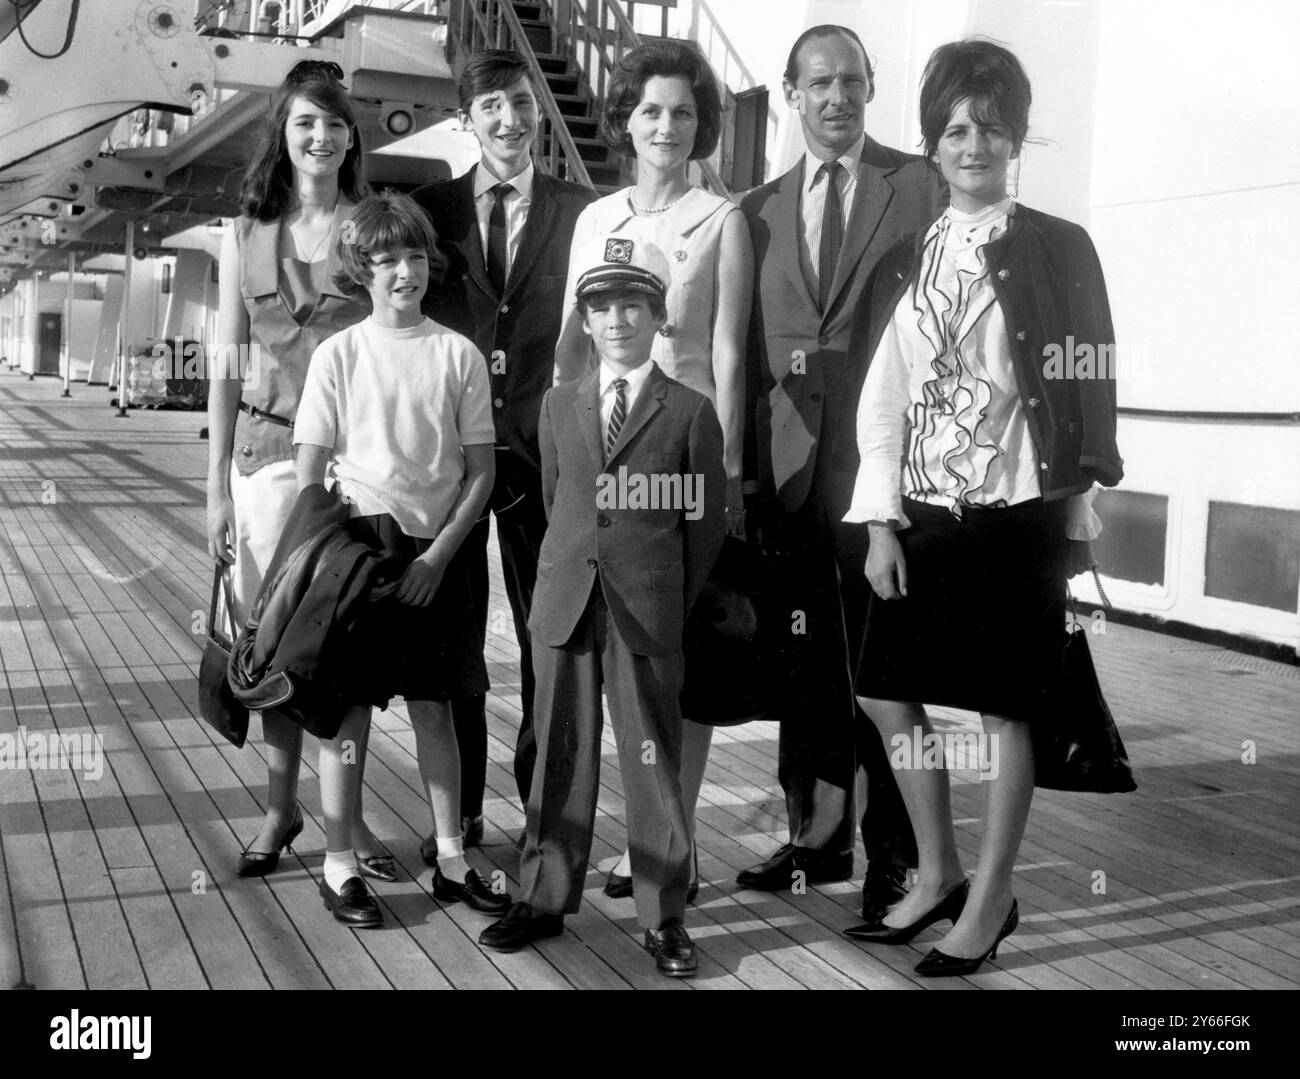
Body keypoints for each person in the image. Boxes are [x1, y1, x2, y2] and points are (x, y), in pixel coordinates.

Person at [843, 40, 1122, 975]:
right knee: (884, 689)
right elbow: (880, 399)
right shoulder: (907, 256)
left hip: (1017, 515)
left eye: (990, 127)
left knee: (1008, 712)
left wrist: (1079, 500)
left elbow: (1089, 372)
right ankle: (938, 871)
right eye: (955, 128)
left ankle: (993, 895)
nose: (973, 143)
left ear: (1016, 140)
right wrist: (880, 520)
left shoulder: (1056, 244)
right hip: (923, 512)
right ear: (932, 144)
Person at [738, 25, 944, 919]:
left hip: (882, 470)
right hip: (787, 473)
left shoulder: (922, 184)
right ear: (790, 92)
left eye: (852, 82)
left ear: (870, 88)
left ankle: (899, 858)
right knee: (804, 657)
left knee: (890, 665)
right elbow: (744, 351)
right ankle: (818, 837)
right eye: (818, 82)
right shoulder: (755, 209)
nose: (837, 98)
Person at [478, 236, 726, 977]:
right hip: (566, 598)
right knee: (558, 748)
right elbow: (558, 502)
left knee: (652, 755)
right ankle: (545, 893)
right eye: (600, 307)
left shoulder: (689, 412)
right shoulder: (557, 406)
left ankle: (663, 912)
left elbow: (704, 526)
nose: (616, 319)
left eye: (632, 305)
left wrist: (663, 590)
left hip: (646, 607)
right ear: (583, 322)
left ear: (658, 316)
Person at [553, 39, 753, 900]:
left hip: (683, 455)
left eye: (682, 111)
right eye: (649, 111)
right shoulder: (596, 220)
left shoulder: (723, 218)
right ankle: (623, 840)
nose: (666, 126)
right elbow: (570, 355)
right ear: (626, 120)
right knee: (602, 658)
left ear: (700, 121)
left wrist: (730, 481)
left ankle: (665, 846)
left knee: (675, 663)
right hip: (605, 454)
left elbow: (731, 356)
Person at [293, 190, 511, 926]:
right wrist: (328, 554)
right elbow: (309, 468)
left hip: (438, 550)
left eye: (414, 257)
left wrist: (439, 556)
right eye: (385, 260)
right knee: (347, 717)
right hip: (362, 548)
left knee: (436, 709)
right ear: (362, 269)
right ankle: (339, 863)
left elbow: (481, 471)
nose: (403, 273)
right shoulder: (338, 354)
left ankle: (451, 854)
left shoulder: (459, 354)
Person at [205, 60, 385, 879]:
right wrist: (214, 489)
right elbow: (227, 367)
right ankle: (280, 812)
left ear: (352, 138)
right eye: (306, 121)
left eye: (335, 124)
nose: (321, 137)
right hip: (264, 462)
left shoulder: (371, 231)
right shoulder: (243, 235)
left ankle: (347, 824)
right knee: (273, 647)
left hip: (350, 469)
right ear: (283, 131)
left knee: (342, 649)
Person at [412, 50, 597, 839]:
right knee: (455, 645)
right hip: (451, 457)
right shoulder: (432, 212)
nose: (510, 119)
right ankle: (464, 809)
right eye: (491, 106)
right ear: (468, 119)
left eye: (521, 103)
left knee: (542, 638)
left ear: (537, 111)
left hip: (540, 456)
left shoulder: (583, 212)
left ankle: (542, 810)